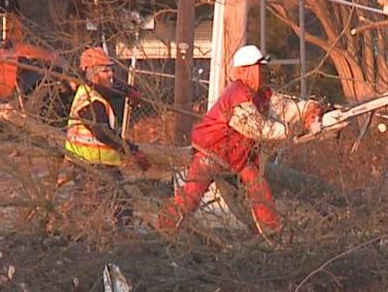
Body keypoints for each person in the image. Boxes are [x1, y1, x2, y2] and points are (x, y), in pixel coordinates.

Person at [158, 44, 323, 240]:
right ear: (243, 71)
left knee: (260, 190)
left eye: (263, 68)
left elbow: (286, 107)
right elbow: (258, 128)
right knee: (191, 196)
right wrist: (293, 130)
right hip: (212, 153)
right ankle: (164, 229)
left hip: (238, 156)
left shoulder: (261, 95)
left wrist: (309, 109)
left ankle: (273, 233)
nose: (263, 72)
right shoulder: (238, 97)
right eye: (258, 68)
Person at [64, 47, 151, 228]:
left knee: (98, 205)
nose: (110, 74)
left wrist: (129, 90)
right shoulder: (90, 101)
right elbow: (104, 133)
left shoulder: (94, 90)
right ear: (92, 73)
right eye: (105, 70)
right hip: (90, 164)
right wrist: (131, 151)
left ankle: (75, 231)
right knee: (118, 205)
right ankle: (117, 241)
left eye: (111, 69)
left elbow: (111, 87)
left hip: (94, 163)